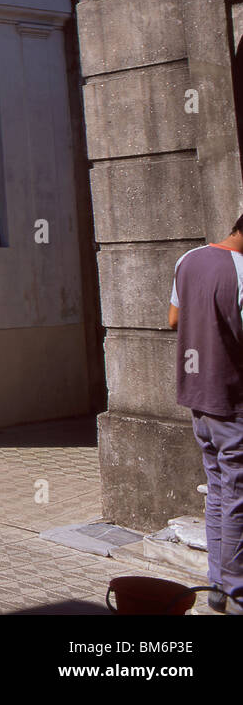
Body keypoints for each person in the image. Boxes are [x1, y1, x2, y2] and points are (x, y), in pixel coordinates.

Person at [169, 215, 243, 615]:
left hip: (198, 395)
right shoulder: (240, 271)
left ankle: (218, 586)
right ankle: (234, 595)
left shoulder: (189, 259)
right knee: (236, 497)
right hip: (233, 399)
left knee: (218, 490)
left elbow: (174, 319)